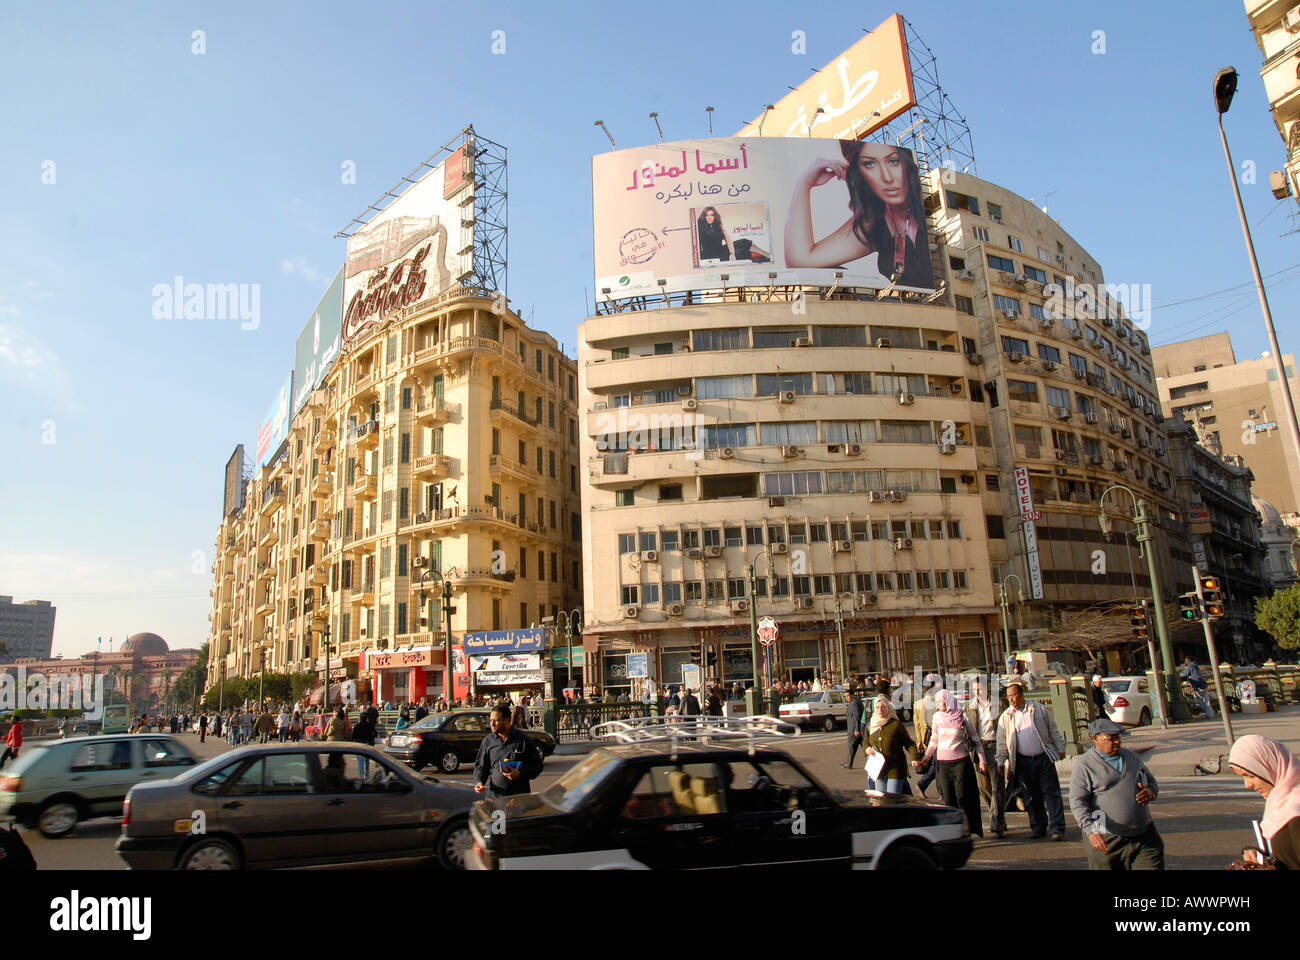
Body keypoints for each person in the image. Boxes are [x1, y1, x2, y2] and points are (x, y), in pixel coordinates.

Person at [785, 140, 931, 287]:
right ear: (859, 172)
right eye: (869, 164)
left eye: (893, 161)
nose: (887, 177)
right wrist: (803, 185)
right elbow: (800, 260)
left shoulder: (924, 208)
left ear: (906, 163)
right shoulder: (876, 222)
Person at [1070, 718, 1163, 869]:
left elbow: (1151, 782)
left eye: (1118, 737)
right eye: (1110, 738)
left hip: (1144, 835)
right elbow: (1078, 802)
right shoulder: (1085, 765)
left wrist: (1150, 791)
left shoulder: (1130, 757)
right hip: (1106, 840)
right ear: (1095, 739)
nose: (1116, 742)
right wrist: (1091, 832)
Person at [995, 679, 1067, 841]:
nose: (1011, 699)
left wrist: (1060, 748)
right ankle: (1038, 827)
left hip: (1043, 758)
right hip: (1022, 762)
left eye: (1014, 695)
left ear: (1021, 694)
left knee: (1051, 794)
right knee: (1030, 796)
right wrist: (1001, 761)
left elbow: (1052, 729)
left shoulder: (1037, 709)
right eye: (1008, 697)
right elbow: (1002, 742)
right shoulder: (1006, 717)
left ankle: (1057, 828)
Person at [915, 690, 987, 837]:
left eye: (940, 702)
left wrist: (982, 760)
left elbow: (975, 739)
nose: (938, 705)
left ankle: (966, 829)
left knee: (963, 797)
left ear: (947, 701)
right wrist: (927, 757)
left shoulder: (962, 715)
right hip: (943, 763)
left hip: (960, 761)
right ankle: (952, 831)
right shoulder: (936, 717)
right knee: (948, 798)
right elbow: (934, 739)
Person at [1227, 735, 1300, 870]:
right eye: (1242, 777)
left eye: (1251, 776)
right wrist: (1257, 854)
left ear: (1270, 767)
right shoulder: (1281, 803)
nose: (1247, 784)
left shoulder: (1295, 815)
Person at [473, 703, 544, 800]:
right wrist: (479, 782)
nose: (492, 724)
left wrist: (520, 774)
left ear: (506, 721)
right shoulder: (488, 741)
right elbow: (480, 767)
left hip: (518, 800)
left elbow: (537, 766)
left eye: (496, 721)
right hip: (495, 799)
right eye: (491, 721)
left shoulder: (522, 740)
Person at [968, 678, 1007, 838]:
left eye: (980, 689)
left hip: (995, 745)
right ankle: (999, 816)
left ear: (987, 689)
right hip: (979, 748)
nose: (978, 693)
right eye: (975, 690)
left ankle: (996, 822)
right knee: (984, 787)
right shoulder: (969, 706)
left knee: (997, 785)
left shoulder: (999, 705)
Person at [864, 696, 916, 793]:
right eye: (878, 707)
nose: (880, 709)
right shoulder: (870, 724)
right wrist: (866, 748)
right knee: (882, 799)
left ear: (888, 708)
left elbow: (909, 743)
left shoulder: (895, 725)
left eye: (883, 707)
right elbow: (865, 741)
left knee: (893, 798)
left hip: (895, 769)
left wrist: (915, 757)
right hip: (879, 769)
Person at [842, 688, 866, 769]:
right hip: (857, 729)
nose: (847, 698)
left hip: (854, 730)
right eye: (845, 696)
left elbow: (857, 717)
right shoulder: (856, 701)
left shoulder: (854, 703)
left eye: (848, 695)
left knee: (851, 746)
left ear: (852, 695)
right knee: (863, 746)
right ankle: (849, 763)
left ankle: (849, 764)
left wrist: (856, 729)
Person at [351, 709, 376, 779]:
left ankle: (361, 776)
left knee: (360, 761)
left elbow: (353, 736)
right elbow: (375, 733)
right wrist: (371, 739)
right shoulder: (370, 725)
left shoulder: (357, 726)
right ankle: (366, 774)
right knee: (367, 760)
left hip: (358, 745)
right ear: (367, 718)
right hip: (367, 744)